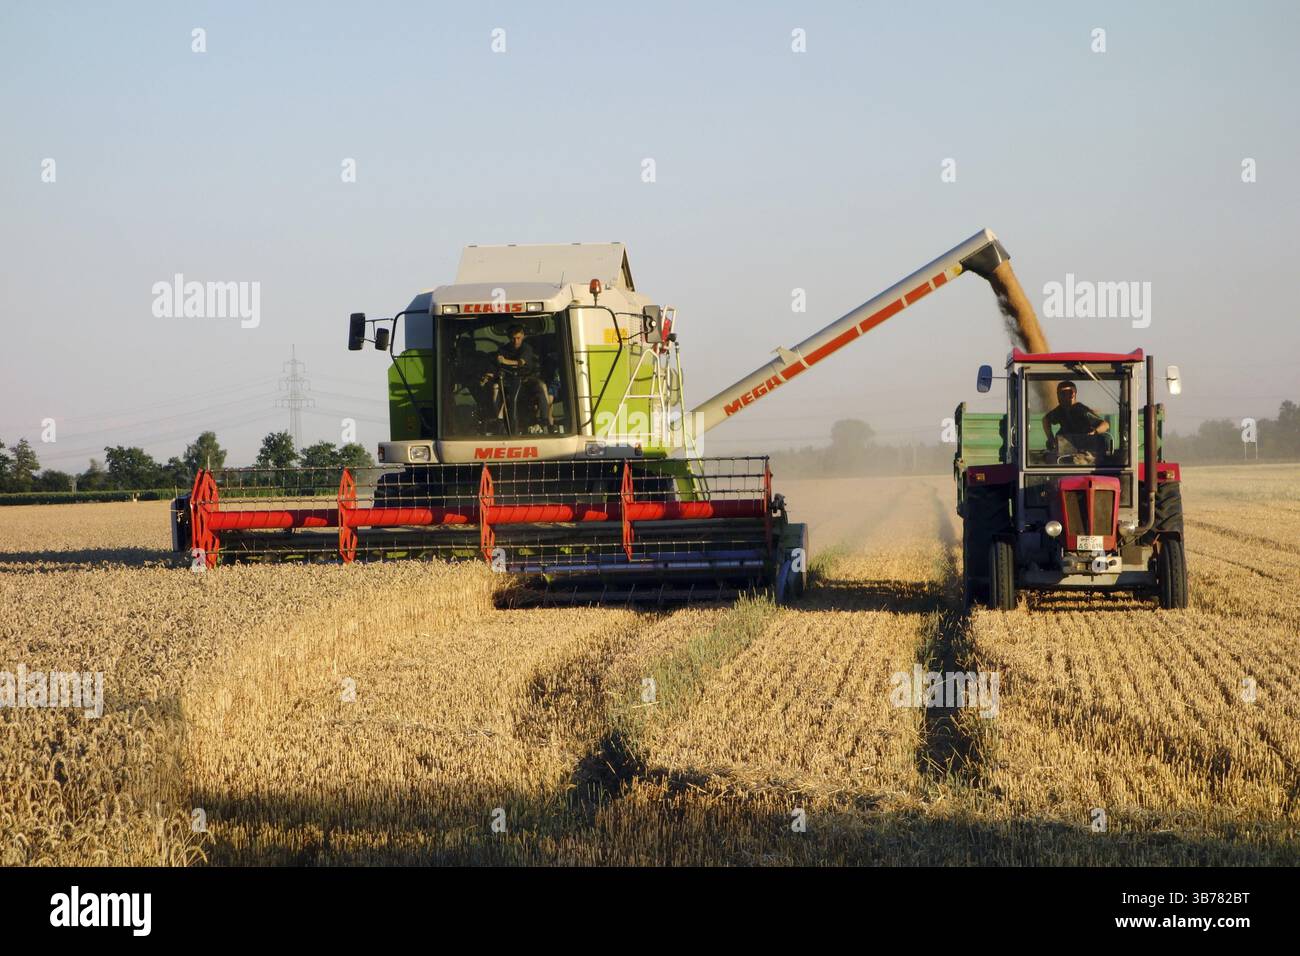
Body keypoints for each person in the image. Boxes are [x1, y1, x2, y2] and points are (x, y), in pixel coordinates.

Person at [495, 325, 553, 430]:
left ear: (523, 337)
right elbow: (497, 364)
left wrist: (505, 361)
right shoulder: (503, 349)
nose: (516, 341)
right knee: (495, 389)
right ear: (509, 337)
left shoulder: (526, 348)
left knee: (541, 388)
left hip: (526, 379)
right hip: (508, 380)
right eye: (513, 338)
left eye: (518, 338)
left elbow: (520, 362)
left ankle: (544, 421)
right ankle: (499, 421)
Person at [1042, 380, 1109, 457]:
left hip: (1085, 453)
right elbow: (1046, 420)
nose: (1059, 396)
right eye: (1059, 393)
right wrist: (1051, 439)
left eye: (1063, 393)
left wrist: (1094, 432)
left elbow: (1105, 425)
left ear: (1072, 394)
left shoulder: (1081, 410)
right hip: (1065, 452)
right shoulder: (1060, 410)